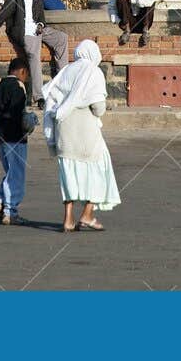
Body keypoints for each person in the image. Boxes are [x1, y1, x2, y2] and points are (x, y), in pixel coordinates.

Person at [42, 40, 119, 232]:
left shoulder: (65, 71)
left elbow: (51, 99)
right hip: (86, 135)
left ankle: (68, 219)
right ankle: (87, 214)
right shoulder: (94, 72)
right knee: (99, 171)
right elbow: (99, 108)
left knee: (69, 175)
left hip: (64, 134)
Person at [0, 56, 32, 225]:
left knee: (11, 173)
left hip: (0, 139)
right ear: (22, 71)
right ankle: (9, 210)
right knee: (17, 175)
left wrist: (0, 117)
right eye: (27, 75)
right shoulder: (19, 88)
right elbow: (17, 113)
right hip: (16, 138)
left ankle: (1, 201)